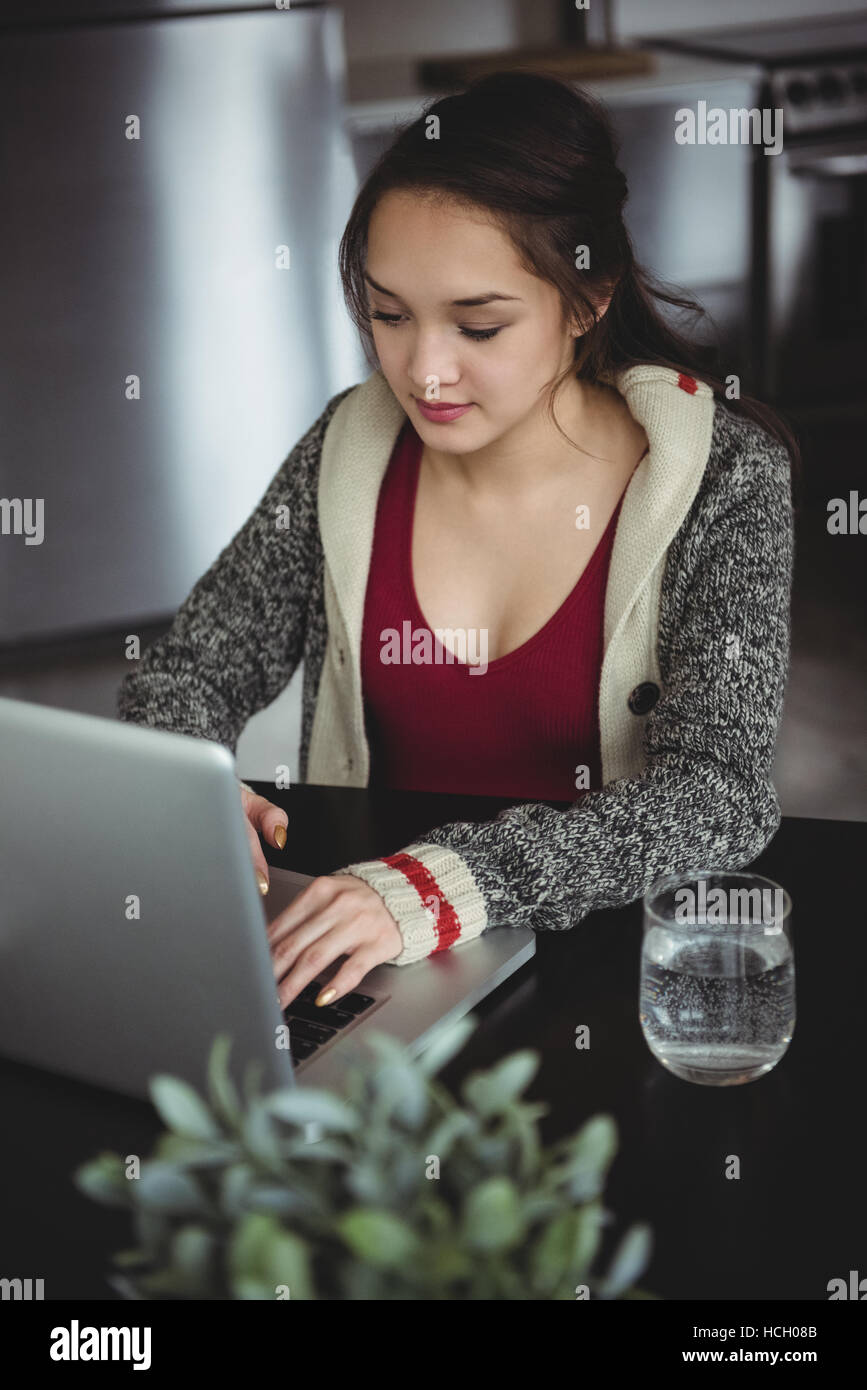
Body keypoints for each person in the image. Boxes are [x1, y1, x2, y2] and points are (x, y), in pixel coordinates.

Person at [117, 72, 797, 1014]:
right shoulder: (347, 449)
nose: (422, 372)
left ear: (586, 296)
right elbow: (189, 669)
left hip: (615, 975)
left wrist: (441, 888)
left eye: (477, 325)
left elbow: (716, 796)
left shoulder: (720, 478)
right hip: (375, 966)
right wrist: (185, 782)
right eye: (388, 315)